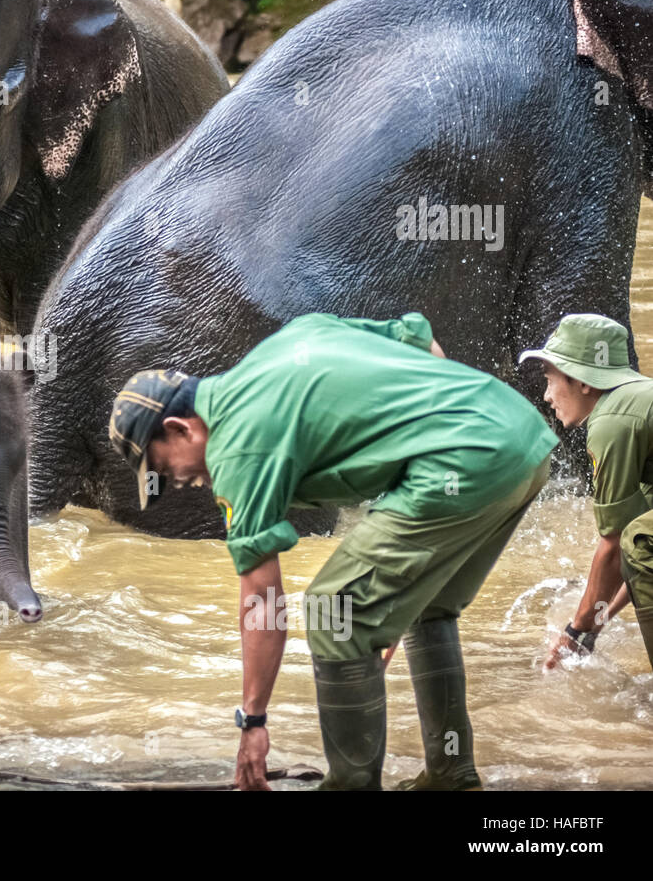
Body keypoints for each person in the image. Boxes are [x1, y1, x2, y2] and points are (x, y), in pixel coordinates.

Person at [109, 312, 558, 790]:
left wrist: (253, 722)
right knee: (428, 608)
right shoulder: (295, 338)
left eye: (163, 466)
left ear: (181, 430)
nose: (178, 481)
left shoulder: (236, 449)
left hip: (466, 460)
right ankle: (451, 776)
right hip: (519, 437)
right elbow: (422, 338)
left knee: (333, 610)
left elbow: (262, 603)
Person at [518, 313, 653, 669]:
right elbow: (630, 556)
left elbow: (617, 545)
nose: (547, 397)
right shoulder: (637, 400)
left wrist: (575, 632)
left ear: (582, 382)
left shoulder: (612, 421)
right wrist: (593, 628)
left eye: (549, 381)